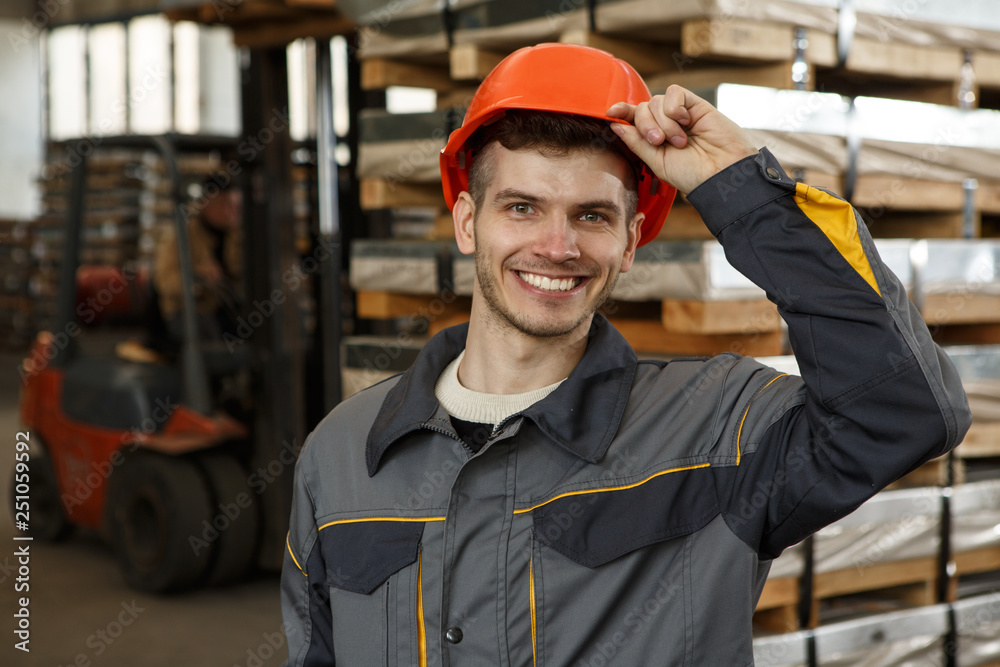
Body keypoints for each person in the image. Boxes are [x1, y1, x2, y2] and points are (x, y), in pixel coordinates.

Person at [281, 43, 971, 665]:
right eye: (521, 207)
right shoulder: (341, 455)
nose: (558, 246)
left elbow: (905, 407)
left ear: (632, 241)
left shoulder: (715, 429)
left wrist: (740, 189)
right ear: (468, 222)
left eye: (592, 215)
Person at [152, 176, 244, 346]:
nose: (231, 212)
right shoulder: (180, 236)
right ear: (206, 204)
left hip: (226, 308)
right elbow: (164, 282)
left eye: (236, 207)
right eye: (226, 205)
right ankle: (212, 369)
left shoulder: (239, 236)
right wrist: (197, 278)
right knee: (207, 333)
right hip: (189, 310)